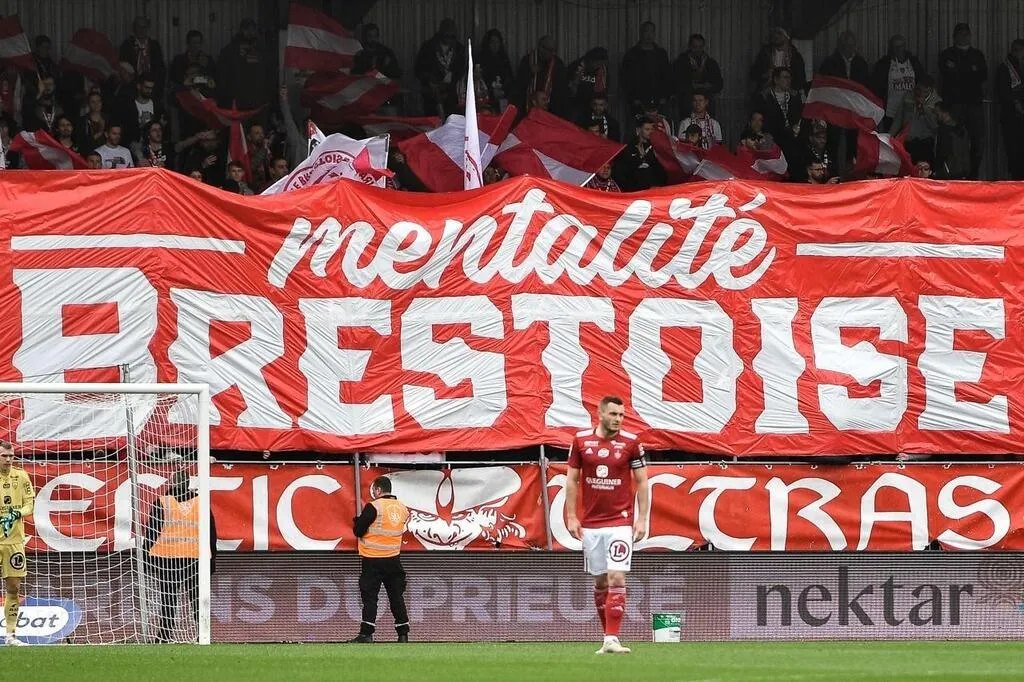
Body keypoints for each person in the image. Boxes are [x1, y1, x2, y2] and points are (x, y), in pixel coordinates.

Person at [565, 396, 649, 655]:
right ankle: (607, 639)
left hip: (620, 522)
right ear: (600, 414)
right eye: (613, 414)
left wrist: (643, 517)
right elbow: (572, 481)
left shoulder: (632, 443)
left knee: (617, 576)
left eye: (622, 415)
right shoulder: (580, 442)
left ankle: (613, 637)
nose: (618, 419)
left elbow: (643, 481)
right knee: (600, 582)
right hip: (591, 524)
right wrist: (571, 516)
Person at [143, 469, 217, 643]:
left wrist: (146, 558)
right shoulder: (201, 503)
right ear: (188, 484)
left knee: (168, 600)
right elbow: (212, 533)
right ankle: (202, 634)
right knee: (197, 599)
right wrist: (212, 559)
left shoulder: (162, 503)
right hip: (195, 559)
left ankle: (165, 635)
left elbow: (151, 533)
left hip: (169, 559)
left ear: (172, 483)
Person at [349, 475, 411, 644]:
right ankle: (403, 634)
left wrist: (357, 521)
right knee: (396, 597)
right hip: (393, 559)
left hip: (372, 559)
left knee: (370, 598)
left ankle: (367, 634)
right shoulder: (402, 508)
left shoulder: (373, 506)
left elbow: (358, 531)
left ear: (377, 490)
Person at [938, 23, 988, 178]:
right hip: (954, 105)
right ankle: (954, 175)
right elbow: (948, 75)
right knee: (953, 141)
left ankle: (973, 176)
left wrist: (959, 70)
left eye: (966, 34)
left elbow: (982, 76)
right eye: (960, 34)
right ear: (954, 37)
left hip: (974, 105)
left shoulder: (977, 54)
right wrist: (969, 71)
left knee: (977, 141)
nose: (964, 37)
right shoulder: (947, 54)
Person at [0, 443, 34, 646]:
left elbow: (30, 503)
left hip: (14, 542)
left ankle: (11, 635)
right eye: (4, 455)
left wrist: (17, 513)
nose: (8, 459)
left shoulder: (21, 477)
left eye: (11, 456)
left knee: (14, 588)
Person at [870, 35, 925, 132]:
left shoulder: (913, 62)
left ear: (905, 46)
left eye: (901, 46)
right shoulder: (884, 64)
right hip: (891, 111)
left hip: (911, 110)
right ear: (891, 48)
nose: (899, 49)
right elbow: (876, 87)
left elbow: (922, 81)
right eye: (896, 47)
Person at [414, 19, 466, 119]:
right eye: (447, 35)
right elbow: (418, 70)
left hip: (452, 95)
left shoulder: (459, 49)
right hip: (432, 95)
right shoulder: (428, 48)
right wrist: (429, 80)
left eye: (453, 36)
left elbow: (462, 69)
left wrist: (453, 76)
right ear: (441, 33)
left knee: (452, 125)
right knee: (433, 126)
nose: (450, 39)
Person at [753, 66, 803, 160]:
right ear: (776, 79)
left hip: (791, 137)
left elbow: (799, 114)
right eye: (785, 77)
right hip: (772, 137)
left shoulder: (794, 96)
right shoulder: (764, 96)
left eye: (789, 78)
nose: (788, 80)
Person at [890, 75, 941, 163]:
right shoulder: (908, 95)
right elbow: (899, 118)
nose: (921, 93)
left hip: (924, 142)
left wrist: (924, 108)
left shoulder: (937, 102)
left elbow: (935, 127)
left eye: (925, 91)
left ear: (931, 90)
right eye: (919, 90)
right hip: (907, 140)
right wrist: (890, 136)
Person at [620, 22, 670, 111]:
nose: (649, 35)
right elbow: (626, 78)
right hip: (638, 100)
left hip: (658, 99)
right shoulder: (632, 54)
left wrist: (665, 96)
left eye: (651, 32)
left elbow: (667, 76)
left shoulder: (661, 54)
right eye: (646, 31)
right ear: (641, 33)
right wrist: (632, 98)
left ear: (654, 34)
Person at [516, 36, 568, 118]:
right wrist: (530, 72)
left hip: (551, 110)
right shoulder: (528, 60)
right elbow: (518, 86)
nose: (553, 53)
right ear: (541, 48)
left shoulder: (557, 64)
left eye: (554, 50)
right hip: (528, 109)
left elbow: (562, 90)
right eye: (550, 50)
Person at [674, 34, 723, 120]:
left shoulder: (710, 62)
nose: (698, 50)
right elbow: (676, 83)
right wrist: (691, 85)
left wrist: (708, 86)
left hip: (707, 102)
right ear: (690, 46)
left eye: (700, 47)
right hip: (687, 101)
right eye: (695, 47)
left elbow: (719, 84)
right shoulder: (681, 62)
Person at [996, 39, 1024, 179]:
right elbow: (1003, 92)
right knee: (1014, 151)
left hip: (1016, 117)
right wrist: (1015, 103)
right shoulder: (1005, 67)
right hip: (1012, 117)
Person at [120, 17, 166, 100]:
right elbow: (123, 67)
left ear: (148, 28)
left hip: (152, 87)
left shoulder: (155, 45)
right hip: (133, 87)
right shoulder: (127, 45)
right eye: (138, 27)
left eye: (144, 27)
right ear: (134, 29)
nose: (141, 30)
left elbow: (160, 68)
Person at [749, 27, 807, 93]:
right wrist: (766, 74)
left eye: (779, 33)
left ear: (787, 36)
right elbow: (753, 74)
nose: (776, 36)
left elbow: (801, 81)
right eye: (774, 33)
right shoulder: (765, 53)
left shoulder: (795, 56)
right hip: (767, 92)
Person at [478, 29, 514, 114]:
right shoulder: (481, 58)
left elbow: (509, 78)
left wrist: (503, 90)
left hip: (502, 98)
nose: (495, 45)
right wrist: (491, 91)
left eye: (497, 42)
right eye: (492, 42)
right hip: (485, 99)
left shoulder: (504, 59)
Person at [568, 47, 609, 120]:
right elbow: (568, 87)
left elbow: (603, 91)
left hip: (594, 107)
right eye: (598, 64)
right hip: (575, 105)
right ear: (591, 60)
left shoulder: (602, 70)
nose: (599, 66)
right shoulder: (576, 66)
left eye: (601, 64)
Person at [934, 101, 972, 180]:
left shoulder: (943, 131)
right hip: (963, 170)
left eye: (937, 113)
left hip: (948, 173)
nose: (936, 115)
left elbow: (942, 153)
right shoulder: (964, 129)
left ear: (944, 112)